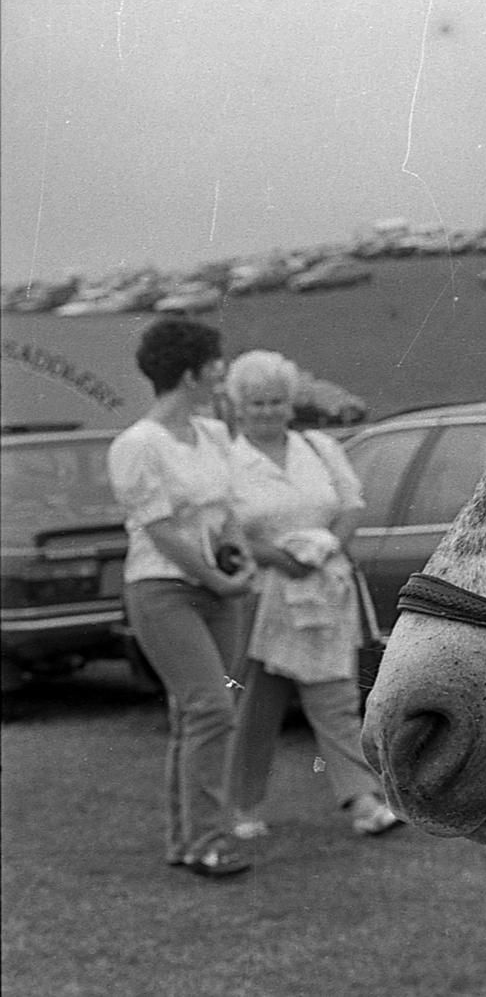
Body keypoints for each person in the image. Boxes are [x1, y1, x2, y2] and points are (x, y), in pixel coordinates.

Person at [220, 350, 402, 840]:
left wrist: (326, 547)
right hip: (262, 599)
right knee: (256, 705)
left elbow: (350, 507)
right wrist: (277, 557)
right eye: (256, 403)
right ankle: (241, 807)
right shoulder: (226, 463)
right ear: (238, 407)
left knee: (337, 701)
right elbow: (224, 533)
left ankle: (364, 801)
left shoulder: (319, 447)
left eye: (276, 401)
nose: (267, 412)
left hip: (325, 593)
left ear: (291, 402)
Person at [108, 317, 259, 878]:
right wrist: (218, 581)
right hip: (163, 592)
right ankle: (208, 842)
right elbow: (161, 532)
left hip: (220, 591)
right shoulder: (137, 445)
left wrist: (237, 559)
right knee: (211, 708)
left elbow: (226, 512)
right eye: (214, 364)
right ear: (190, 372)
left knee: (201, 713)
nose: (221, 374)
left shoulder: (214, 434)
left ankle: (187, 840)